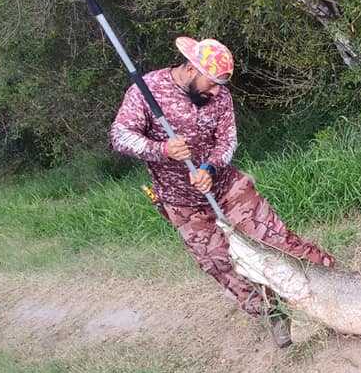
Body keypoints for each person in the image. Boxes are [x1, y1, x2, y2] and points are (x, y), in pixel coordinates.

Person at [110, 36, 334, 348]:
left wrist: (210, 169)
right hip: (181, 203)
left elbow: (227, 141)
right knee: (220, 262)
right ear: (190, 69)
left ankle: (329, 284)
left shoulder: (220, 98)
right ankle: (276, 312)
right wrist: (162, 149)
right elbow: (120, 136)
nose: (217, 91)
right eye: (212, 83)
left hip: (226, 187)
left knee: (276, 239)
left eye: (220, 85)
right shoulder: (147, 90)